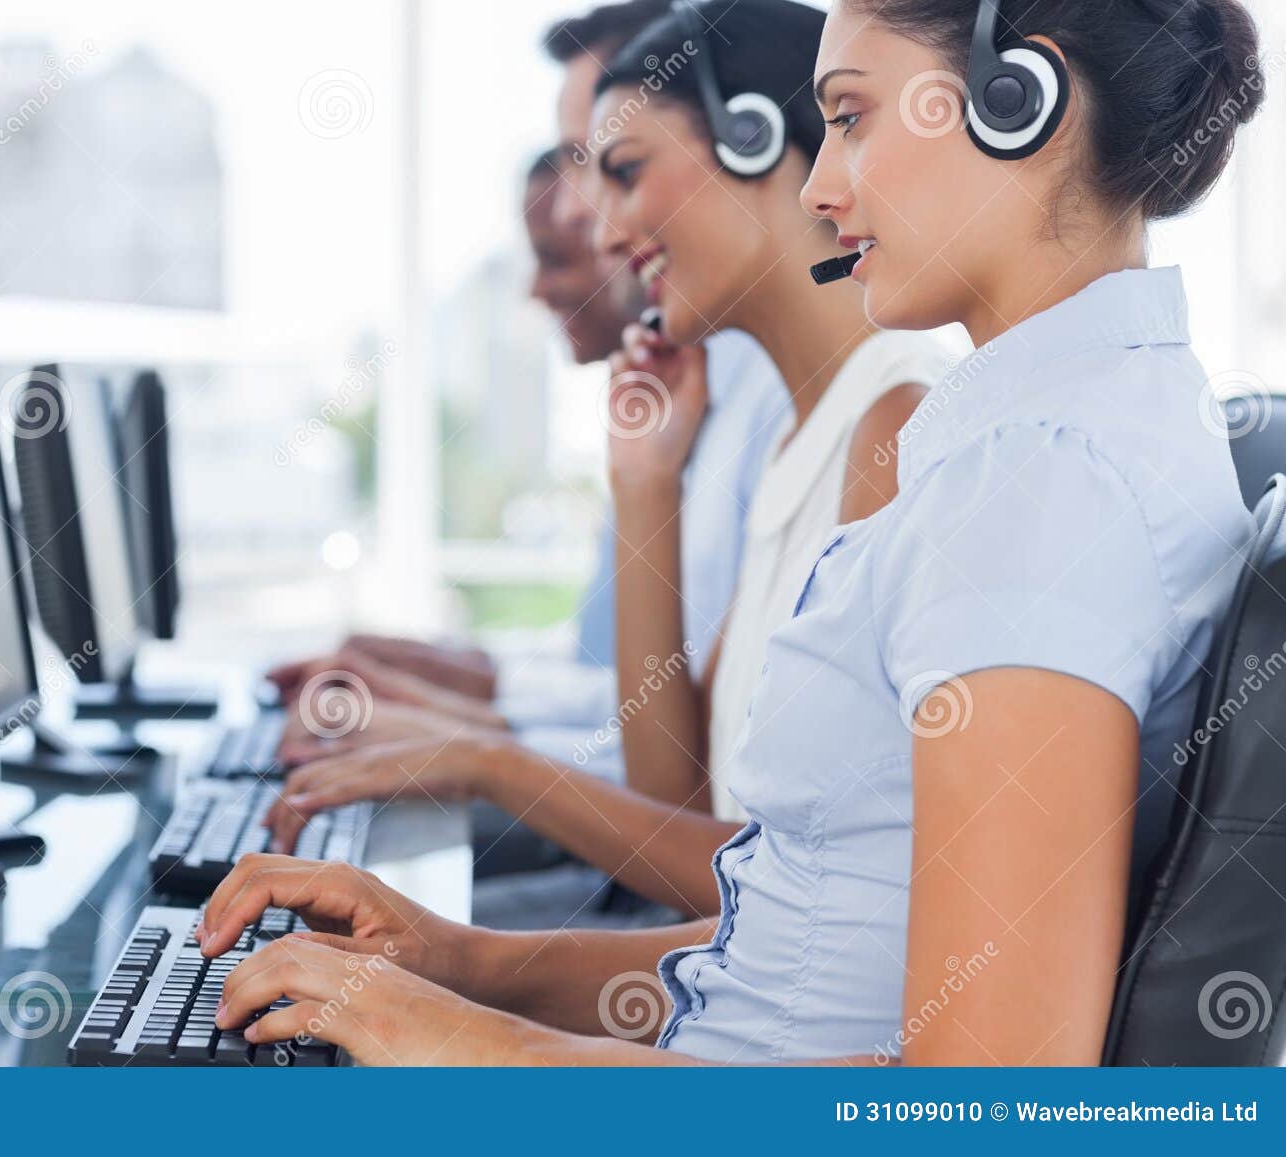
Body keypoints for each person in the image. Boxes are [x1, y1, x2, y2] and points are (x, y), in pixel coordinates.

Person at [200, 0, 1264, 1065]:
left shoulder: (1040, 481)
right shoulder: (1055, 435)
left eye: (849, 116)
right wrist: (452, 960)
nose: (818, 184)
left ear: (1017, 101)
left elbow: (991, 1101)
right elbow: (796, 953)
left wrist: (453, 1039)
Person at [263, 0, 950, 921]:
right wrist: (645, 484)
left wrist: (486, 762)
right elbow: (684, 801)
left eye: (626, 174)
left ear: (757, 144)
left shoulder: (895, 422)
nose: (607, 230)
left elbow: (804, 899)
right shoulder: (807, 435)